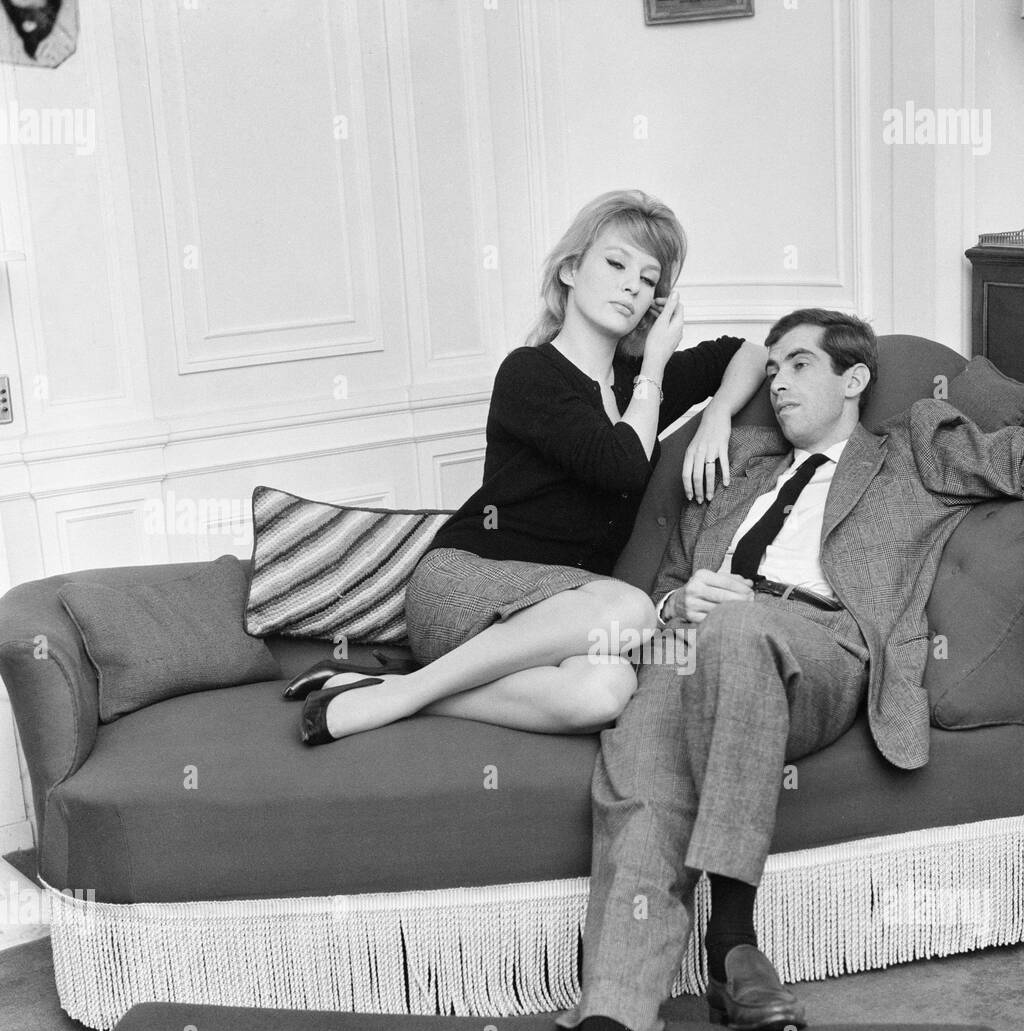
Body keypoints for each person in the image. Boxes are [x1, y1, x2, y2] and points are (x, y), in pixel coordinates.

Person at [437, 307, 1024, 1031]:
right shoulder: (735, 470)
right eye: (773, 371)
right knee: (640, 789)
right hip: (695, 652)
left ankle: (732, 934)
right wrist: (677, 604)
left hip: (822, 649)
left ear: (853, 379)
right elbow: (670, 584)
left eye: (799, 365)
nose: (780, 384)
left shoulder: (914, 447)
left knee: (740, 631)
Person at [286, 189, 768, 743]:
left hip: (563, 621)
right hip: (464, 587)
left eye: (648, 278)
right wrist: (655, 367)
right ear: (570, 270)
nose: (632, 286)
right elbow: (623, 465)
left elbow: (750, 352)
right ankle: (400, 695)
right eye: (616, 264)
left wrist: (717, 416)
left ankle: (399, 689)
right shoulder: (530, 373)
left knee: (605, 690)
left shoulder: (638, 387)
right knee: (631, 610)